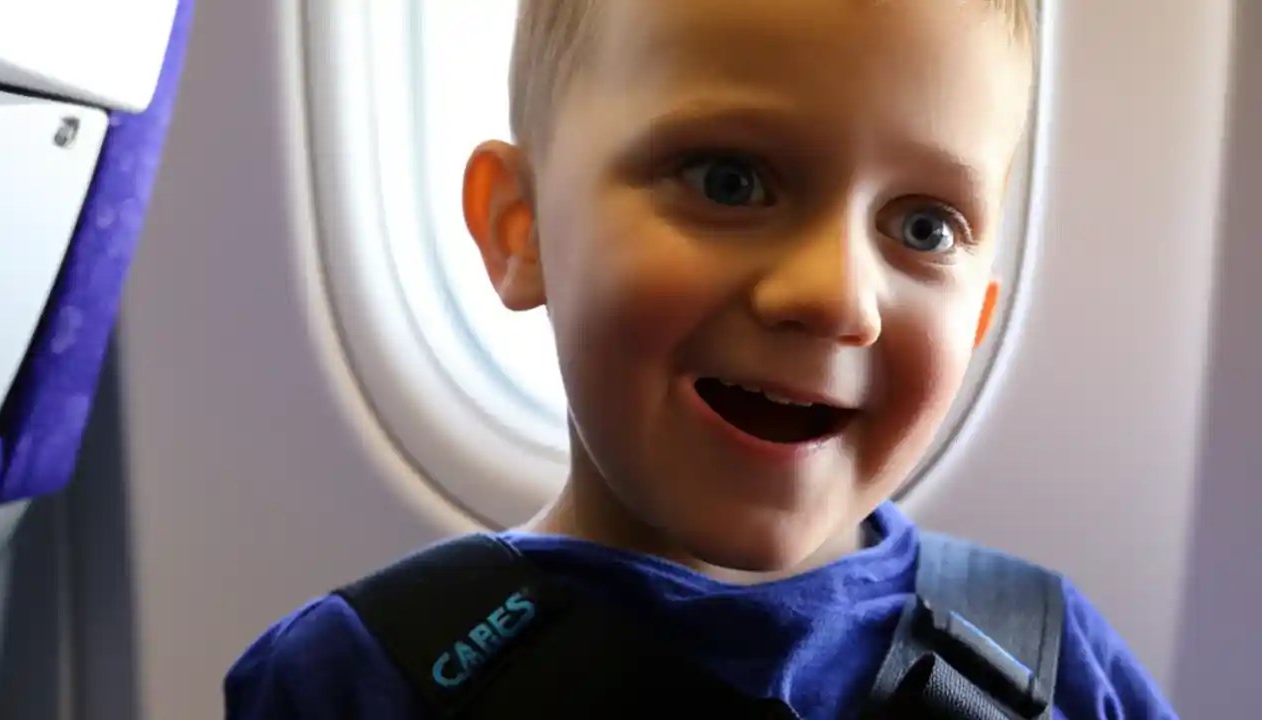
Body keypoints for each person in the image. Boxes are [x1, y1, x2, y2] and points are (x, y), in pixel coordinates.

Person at [225, 1, 1177, 717]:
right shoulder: (364, 675)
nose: (837, 297)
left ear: (975, 326)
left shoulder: (1049, 664)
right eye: (731, 181)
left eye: (924, 227)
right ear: (522, 229)